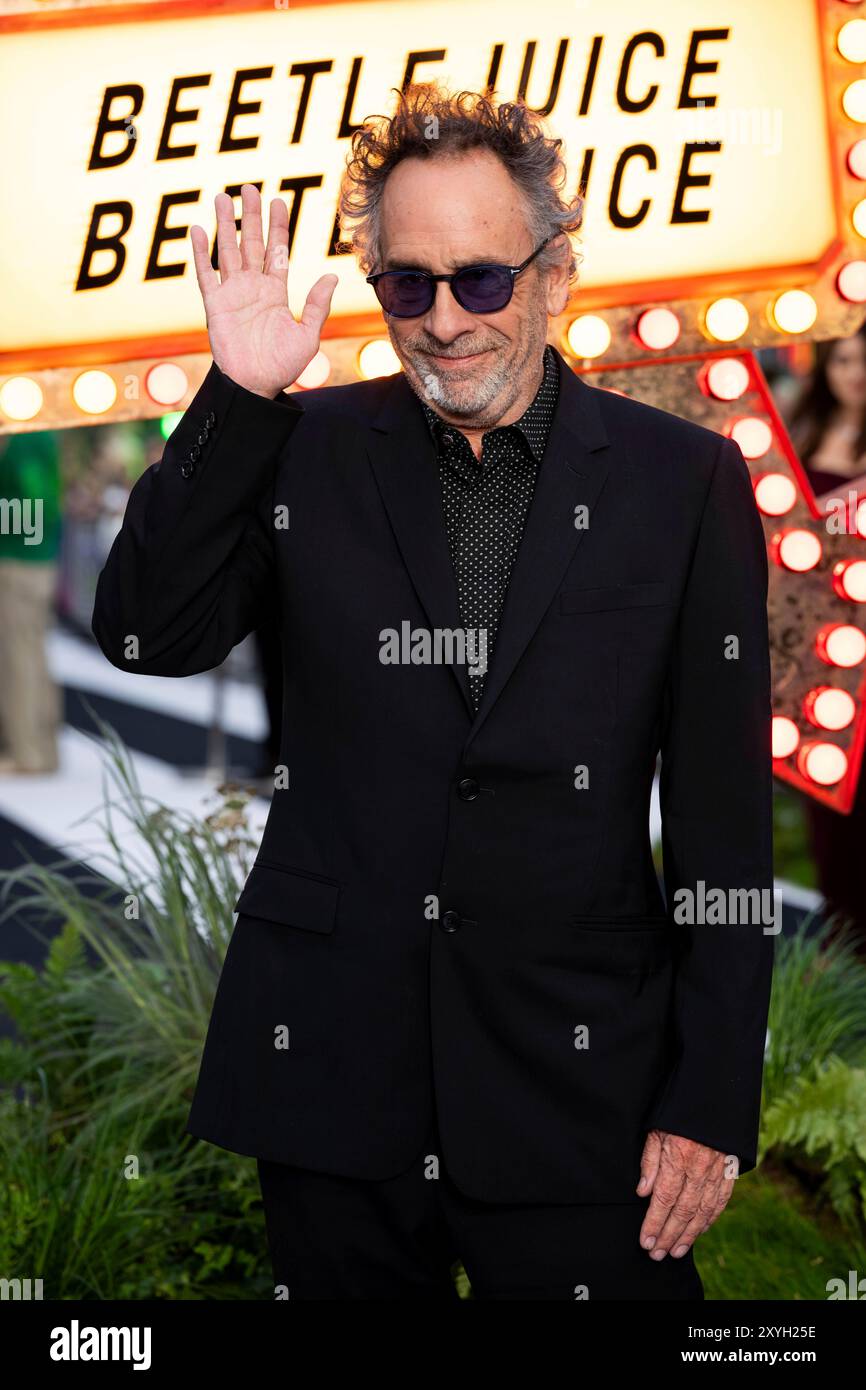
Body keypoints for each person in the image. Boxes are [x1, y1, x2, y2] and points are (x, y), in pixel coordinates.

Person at [91, 85, 774, 1301]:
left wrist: (708, 1094)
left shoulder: (683, 483)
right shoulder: (299, 447)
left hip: (580, 1082)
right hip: (336, 1073)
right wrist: (239, 396)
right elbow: (146, 632)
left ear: (555, 275)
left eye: (480, 281)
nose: (444, 321)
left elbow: (722, 829)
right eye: (407, 284)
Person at [787, 325, 866, 951]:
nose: (854, 373)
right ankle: (845, 965)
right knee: (830, 806)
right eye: (842, 358)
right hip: (818, 653)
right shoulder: (802, 430)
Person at [0, 428, 63, 774]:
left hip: (17, 559)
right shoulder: (39, 428)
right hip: (35, 558)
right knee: (32, 655)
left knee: (17, 659)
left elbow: (33, 498)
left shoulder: (20, 435)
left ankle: (26, 752)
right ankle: (42, 748)